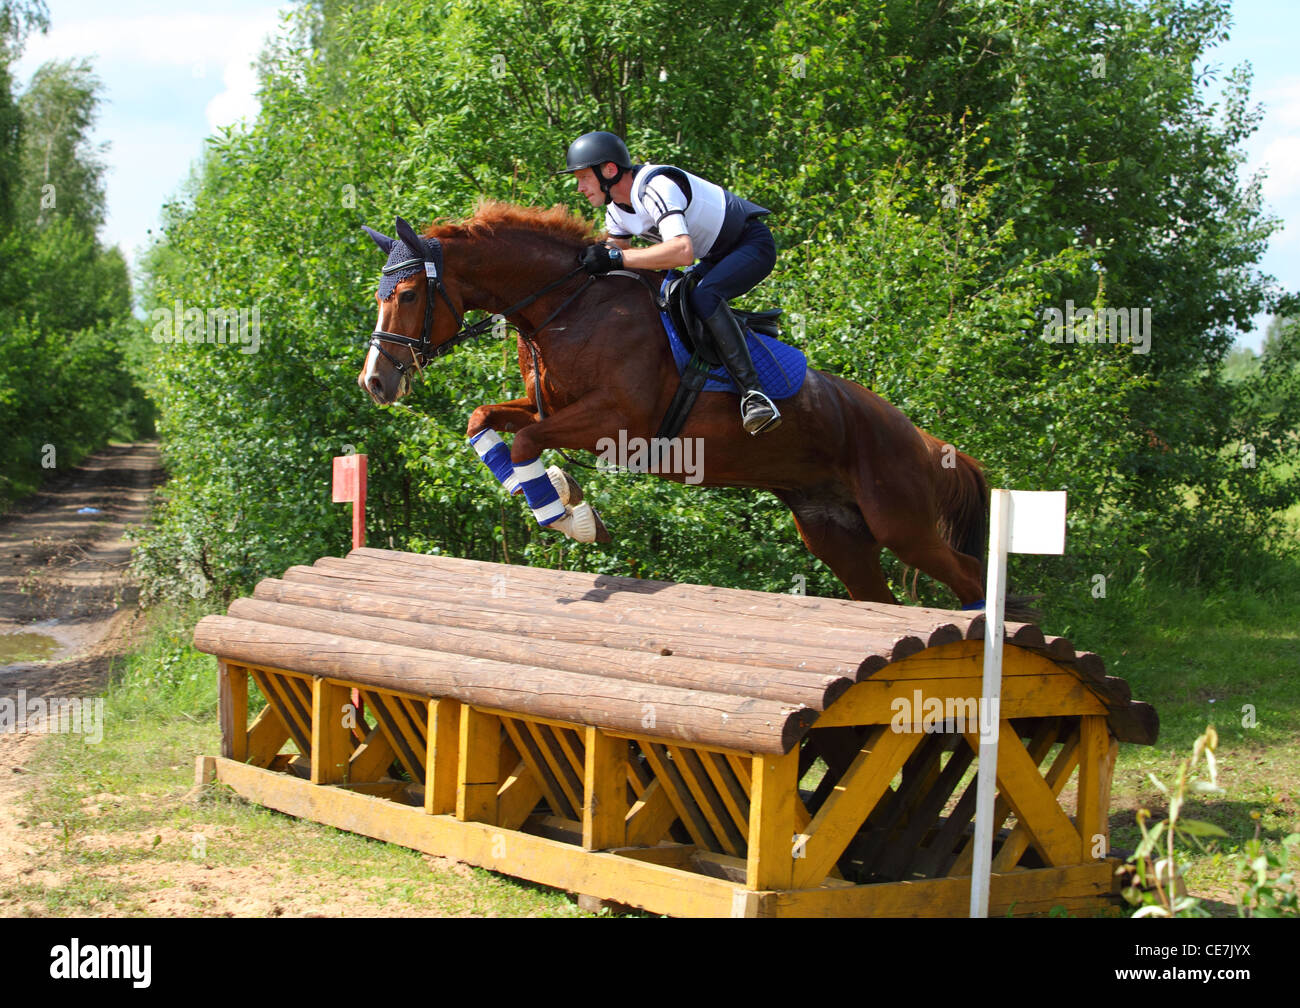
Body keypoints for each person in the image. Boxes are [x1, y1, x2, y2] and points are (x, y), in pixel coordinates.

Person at [557, 131, 781, 434]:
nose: (579, 188)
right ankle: (747, 329)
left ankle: (755, 395)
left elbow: (681, 252)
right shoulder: (616, 210)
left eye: (583, 178)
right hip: (716, 256)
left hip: (751, 245)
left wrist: (617, 259)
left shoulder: (656, 187)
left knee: (704, 296)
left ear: (608, 170)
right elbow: (613, 261)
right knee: (670, 295)